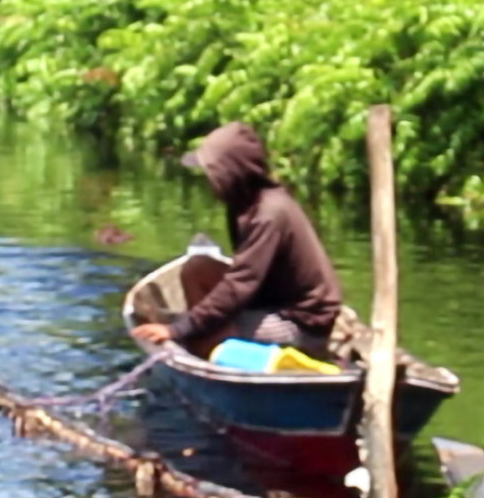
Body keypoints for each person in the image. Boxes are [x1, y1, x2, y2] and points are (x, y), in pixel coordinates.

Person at [131, 121, 345, 359]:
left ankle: (210, 349)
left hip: (302, 323)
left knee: (206, 333)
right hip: (270, 299)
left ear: (230, 171)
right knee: (197, 267)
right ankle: (208, 340)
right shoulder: (244, 205)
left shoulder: (268, 214)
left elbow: (238, 286)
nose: (209, 182)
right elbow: (243, 281)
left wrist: (178, 328)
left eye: (213, 174)